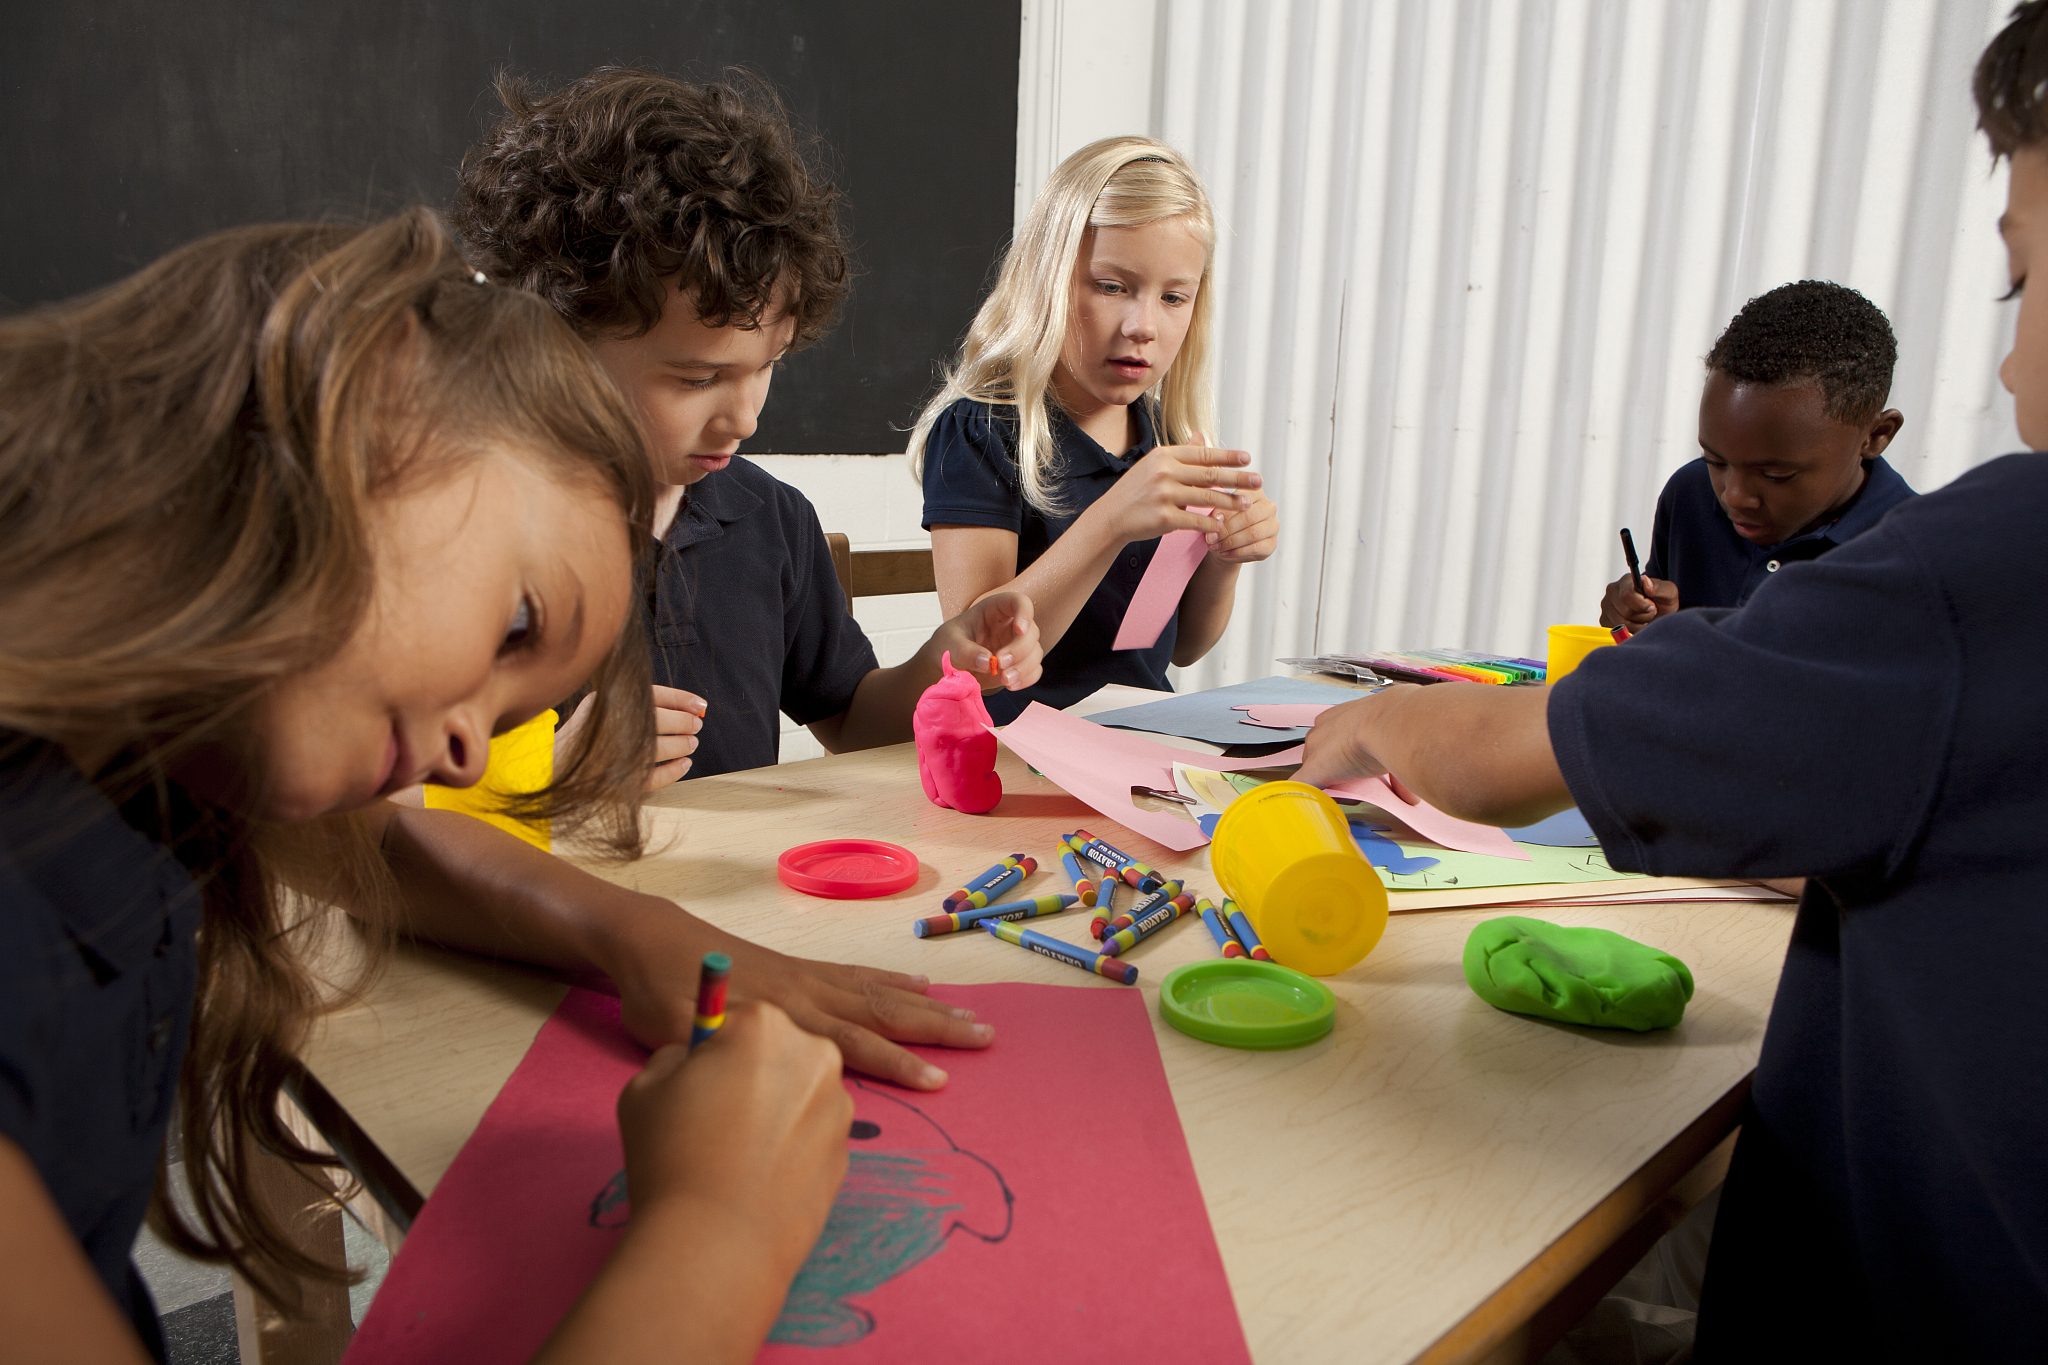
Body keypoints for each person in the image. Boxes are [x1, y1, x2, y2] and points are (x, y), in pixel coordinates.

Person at [0, 212, 981, 1362]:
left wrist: (633, 936)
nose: (467, 760)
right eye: (517, 623)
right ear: (358, 421)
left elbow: (369, 842)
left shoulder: (135, 754)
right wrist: (721, 1227)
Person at [1292, 9, 2048, 1349]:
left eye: (2022, 281)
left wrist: (1390, 719)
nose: (2004, 352)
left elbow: (1507, 761)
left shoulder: (1969, 574)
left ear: (1874, 438)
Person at [453, 69, 1042, 782]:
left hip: (733, 896)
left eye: (767, 366)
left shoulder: (769, 518)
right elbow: (379, 818)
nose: (745, 417)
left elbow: (854, 722)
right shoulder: (453, 535)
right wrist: (551, 776)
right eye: (699, 379)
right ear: (553, 344)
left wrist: (945, 657)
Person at [908, 137, 1280, 722]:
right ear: (1049, 279)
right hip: (1018, 755)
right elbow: (987, 655)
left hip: (1146, 739)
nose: (1143, 326)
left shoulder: (1169, 436)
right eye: (1112, 287)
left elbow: (1180, 647)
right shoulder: (980, 429)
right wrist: (1111, 521)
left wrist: (1225, 558)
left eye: (1174, 297)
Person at [1600, 281, 1912, 631]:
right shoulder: (1691, 495)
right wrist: (1649, 624)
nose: (1733, 495)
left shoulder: (1912, 558)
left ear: (1875, 435)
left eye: (1775, 475)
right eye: (1715, 461)